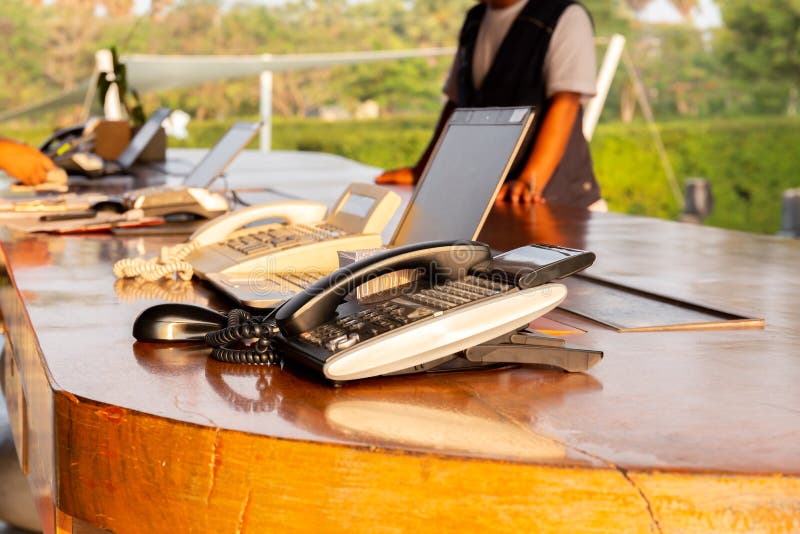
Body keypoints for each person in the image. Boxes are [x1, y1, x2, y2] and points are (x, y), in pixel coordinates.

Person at [376, 0, 604, 209]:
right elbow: (456, 105)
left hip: (558, 206)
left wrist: (528, 181)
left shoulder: (565, 15)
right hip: (495, 203)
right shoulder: (475, 18)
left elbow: (565, 105)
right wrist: (424, 170)